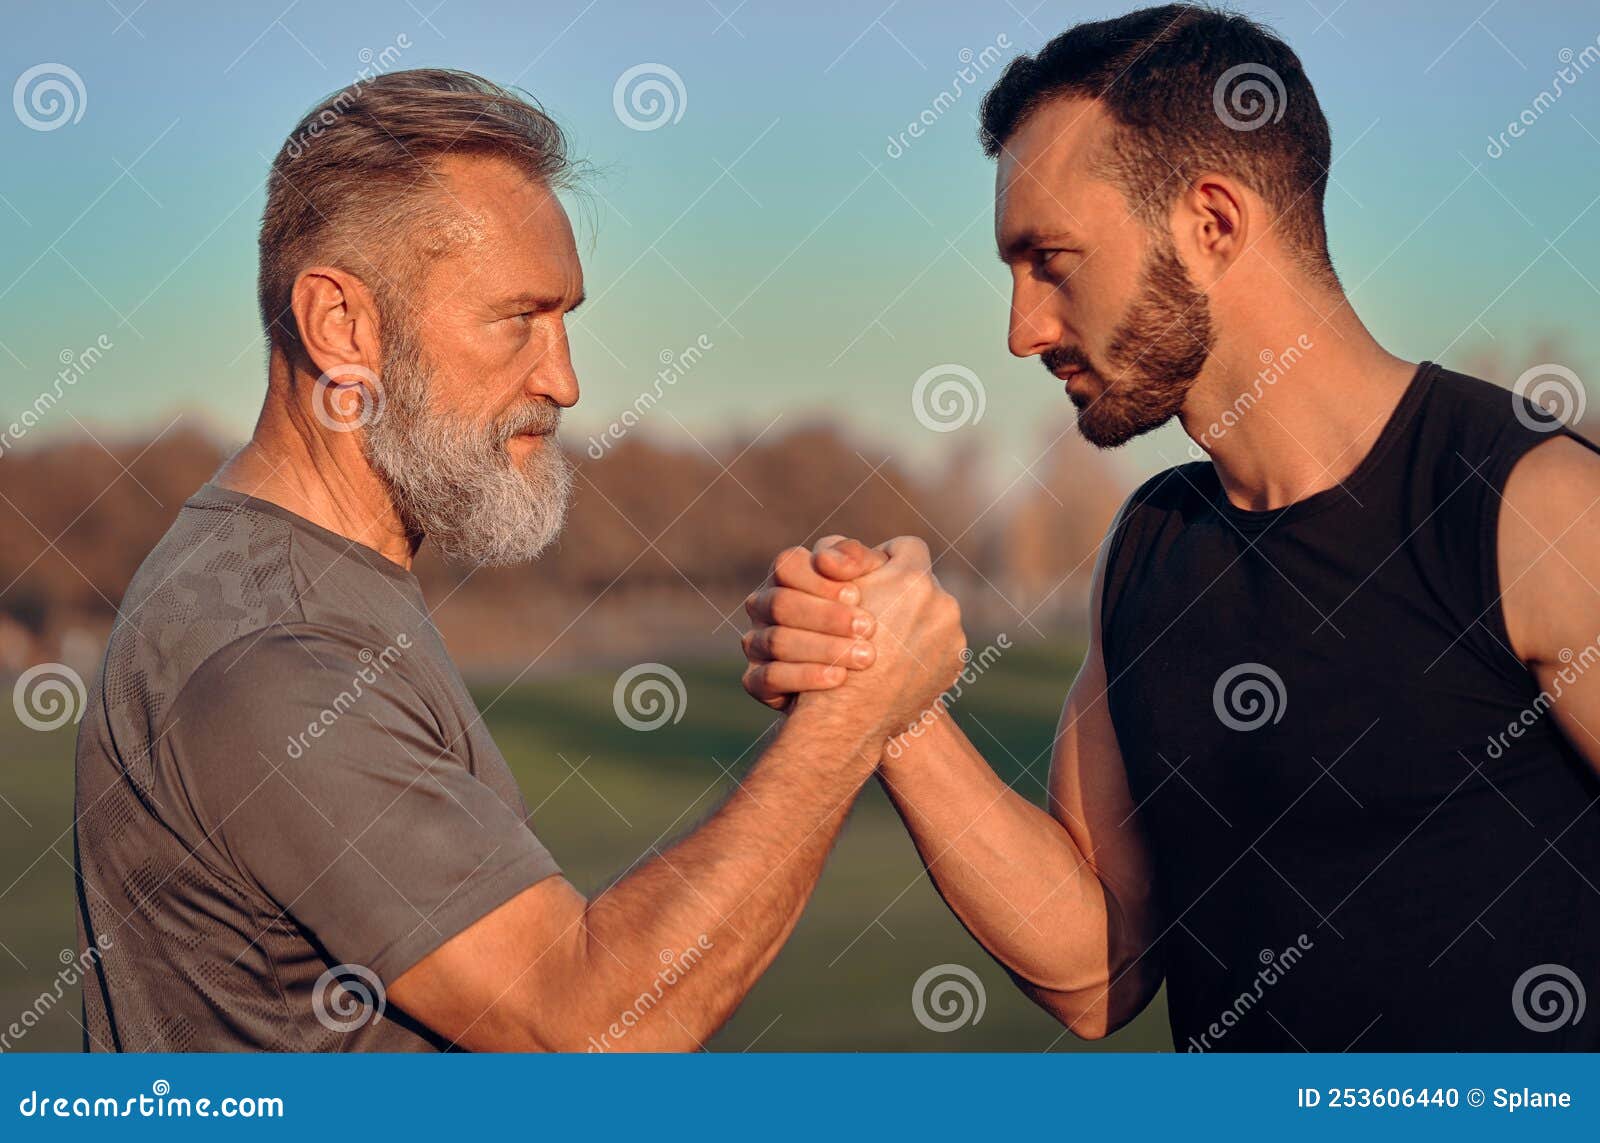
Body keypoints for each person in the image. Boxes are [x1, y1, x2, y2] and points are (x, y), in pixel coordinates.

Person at [740, 4, 1600, 1050]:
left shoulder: (1537, 509)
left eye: (1050, 258)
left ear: (1213, 224)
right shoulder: (1150, 547)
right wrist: (888, 697)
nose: (1022, 331)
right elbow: (1096, 970)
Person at [72, 69, 966, 1052]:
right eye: (518, 319)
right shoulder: (274, 659)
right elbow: (590, 1028)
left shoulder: (302, 583)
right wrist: (850, 715)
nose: (565, 380)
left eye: (566, 317)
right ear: (341, 326)